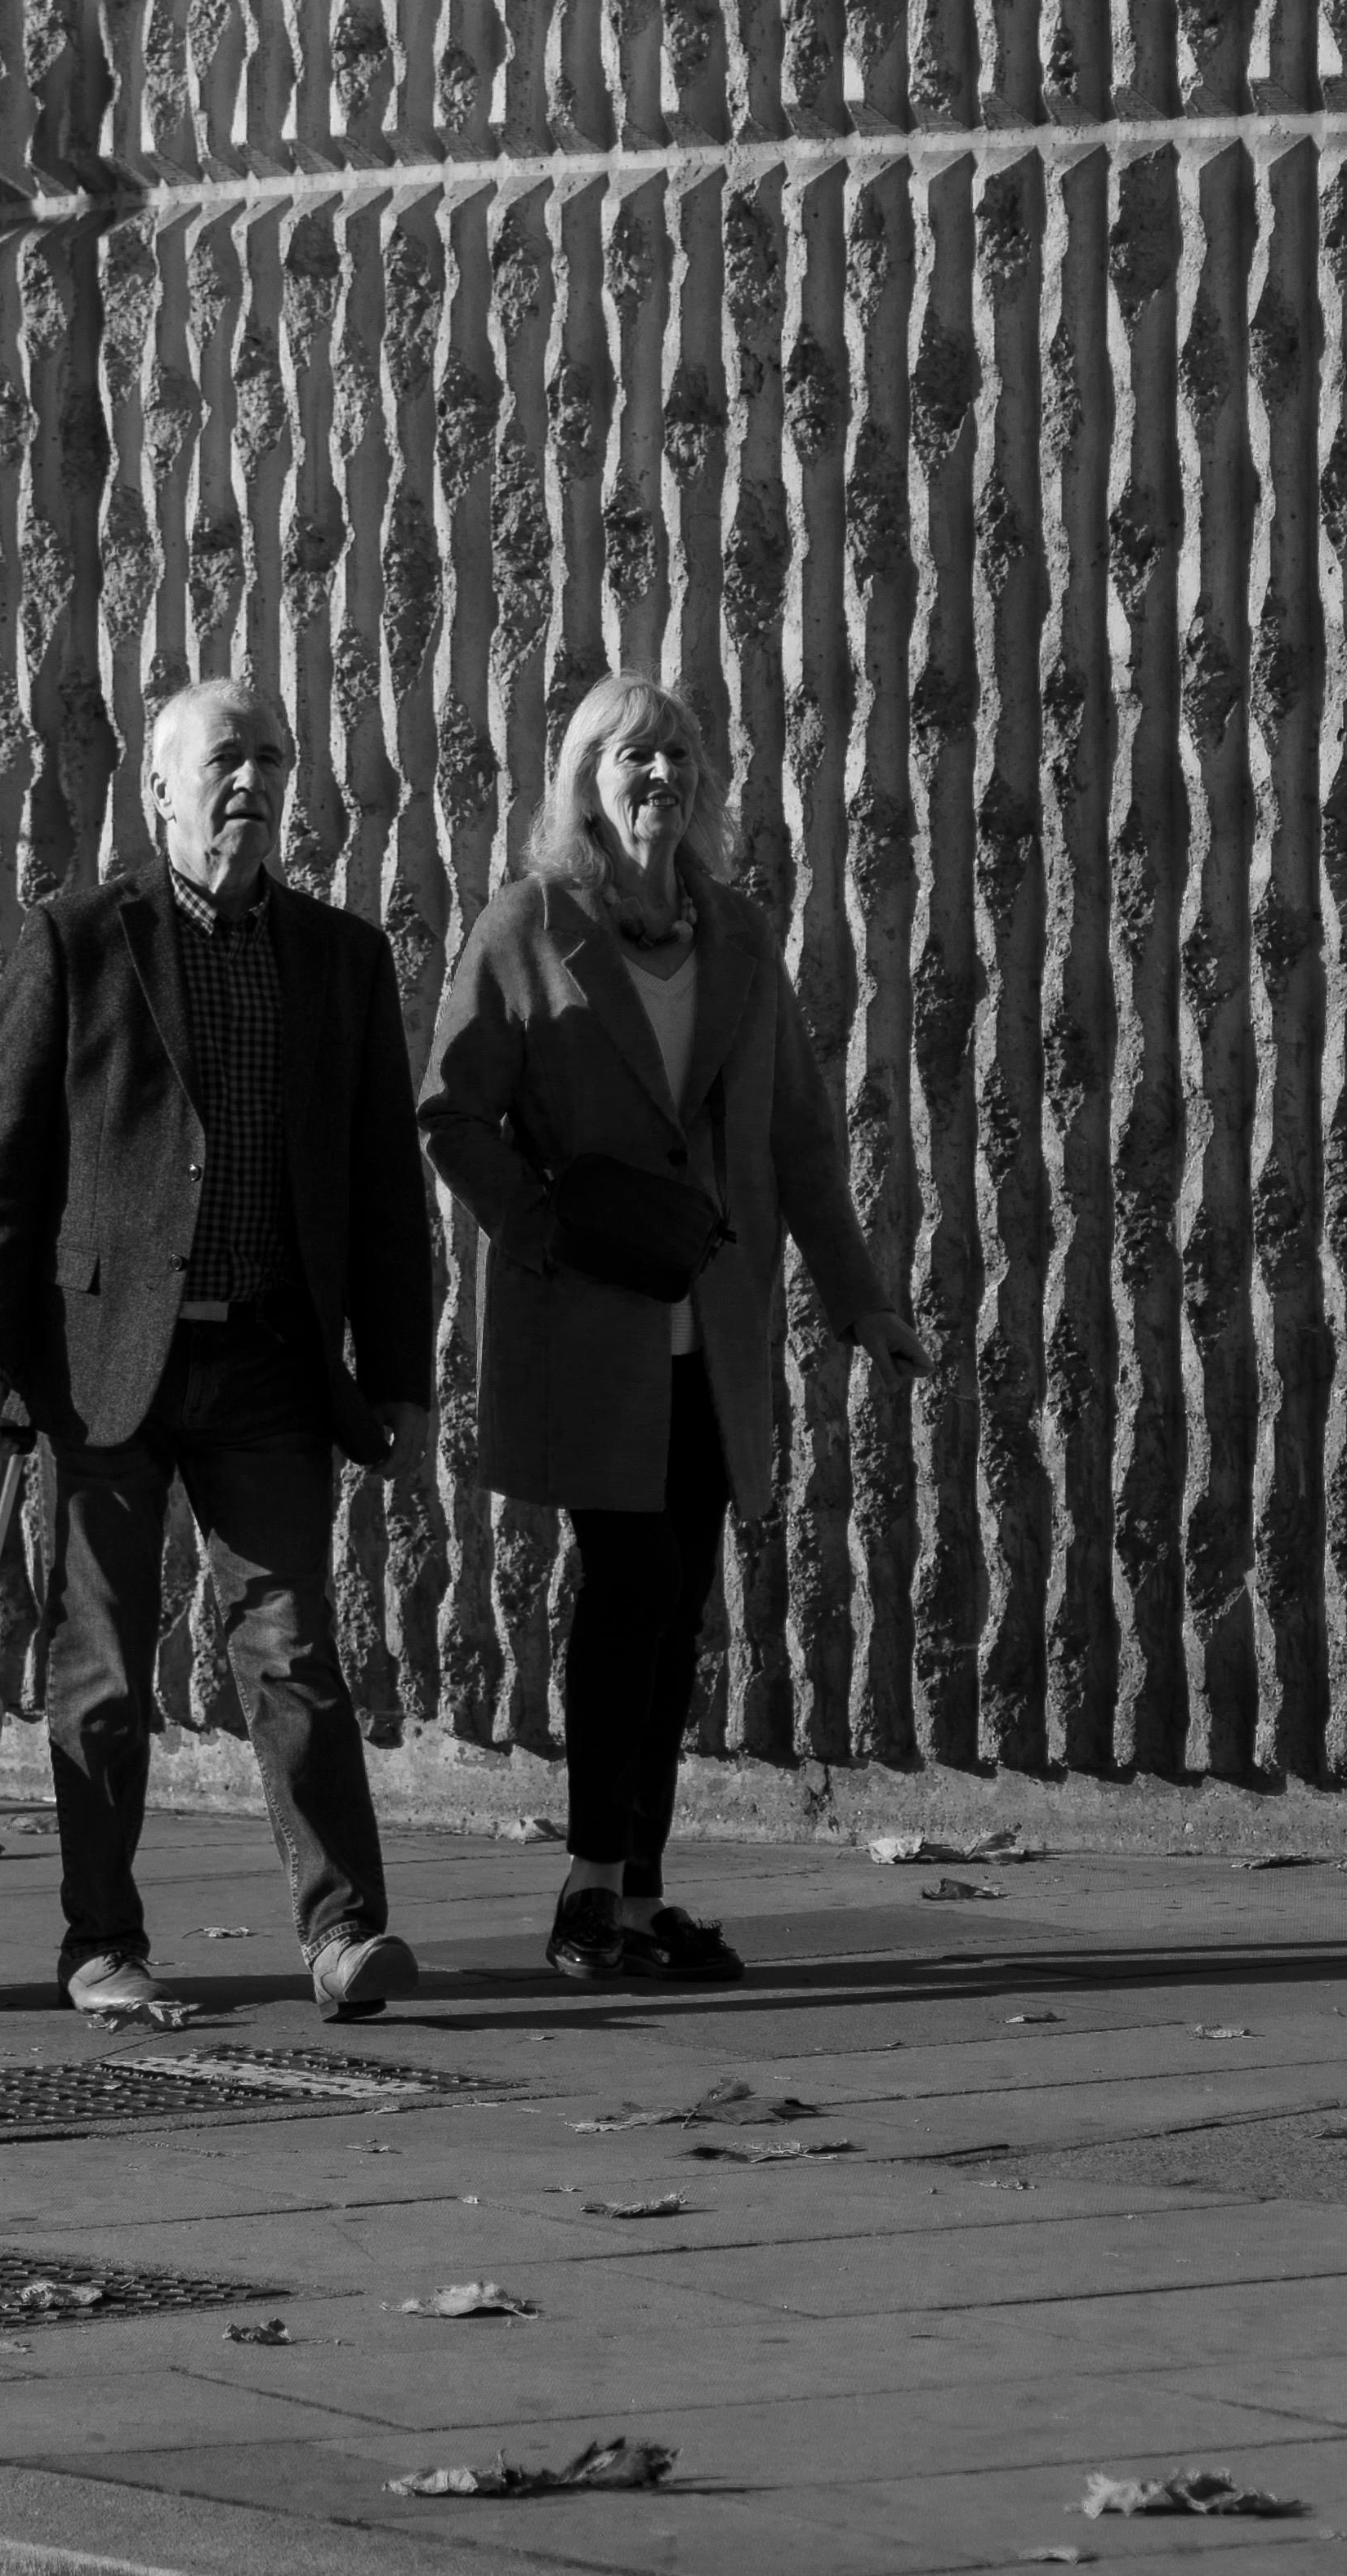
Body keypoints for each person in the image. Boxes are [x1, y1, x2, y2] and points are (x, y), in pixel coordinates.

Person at [417, 671, 929, 1984]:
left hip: (720, 1330)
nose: (662, 780)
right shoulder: (525, 924)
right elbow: (452, 1112)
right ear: (585, 779)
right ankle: (590, 1892)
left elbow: (802, 1138)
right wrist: (536, 1225)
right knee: (628, 1595)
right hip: (592, 1326)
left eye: (681, 761)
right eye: (634, 758)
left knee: (679, 1607)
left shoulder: (740, 934)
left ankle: (640, 1898)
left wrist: (864, 1296)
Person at [0, 677, 434, 2023]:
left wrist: (402, 1376)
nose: (251, 783)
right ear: (158, 790)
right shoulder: (79, 940)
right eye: (224, 760)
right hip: (106, 1368)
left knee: (289, 1647)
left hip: (272, 1360)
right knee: (99, 1667)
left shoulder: (343, 960)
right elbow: (3, 1172)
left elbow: (389, 1185)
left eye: (271, 759)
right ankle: (101, 1943)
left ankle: (344, 1933)